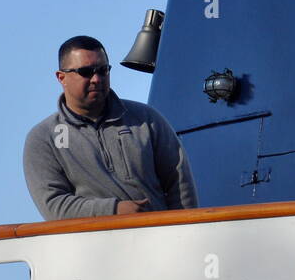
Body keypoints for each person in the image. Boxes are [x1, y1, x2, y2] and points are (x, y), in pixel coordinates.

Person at [24, 35, 198, 220]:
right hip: (93, 245)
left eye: (103, 70)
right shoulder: (43, 139)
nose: (96, 79)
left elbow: (179, 183)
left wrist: (183, 229)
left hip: (159, 240)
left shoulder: (147, 119)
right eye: (86, 72)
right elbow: (54, 206)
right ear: (61, 77)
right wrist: (113, 210)